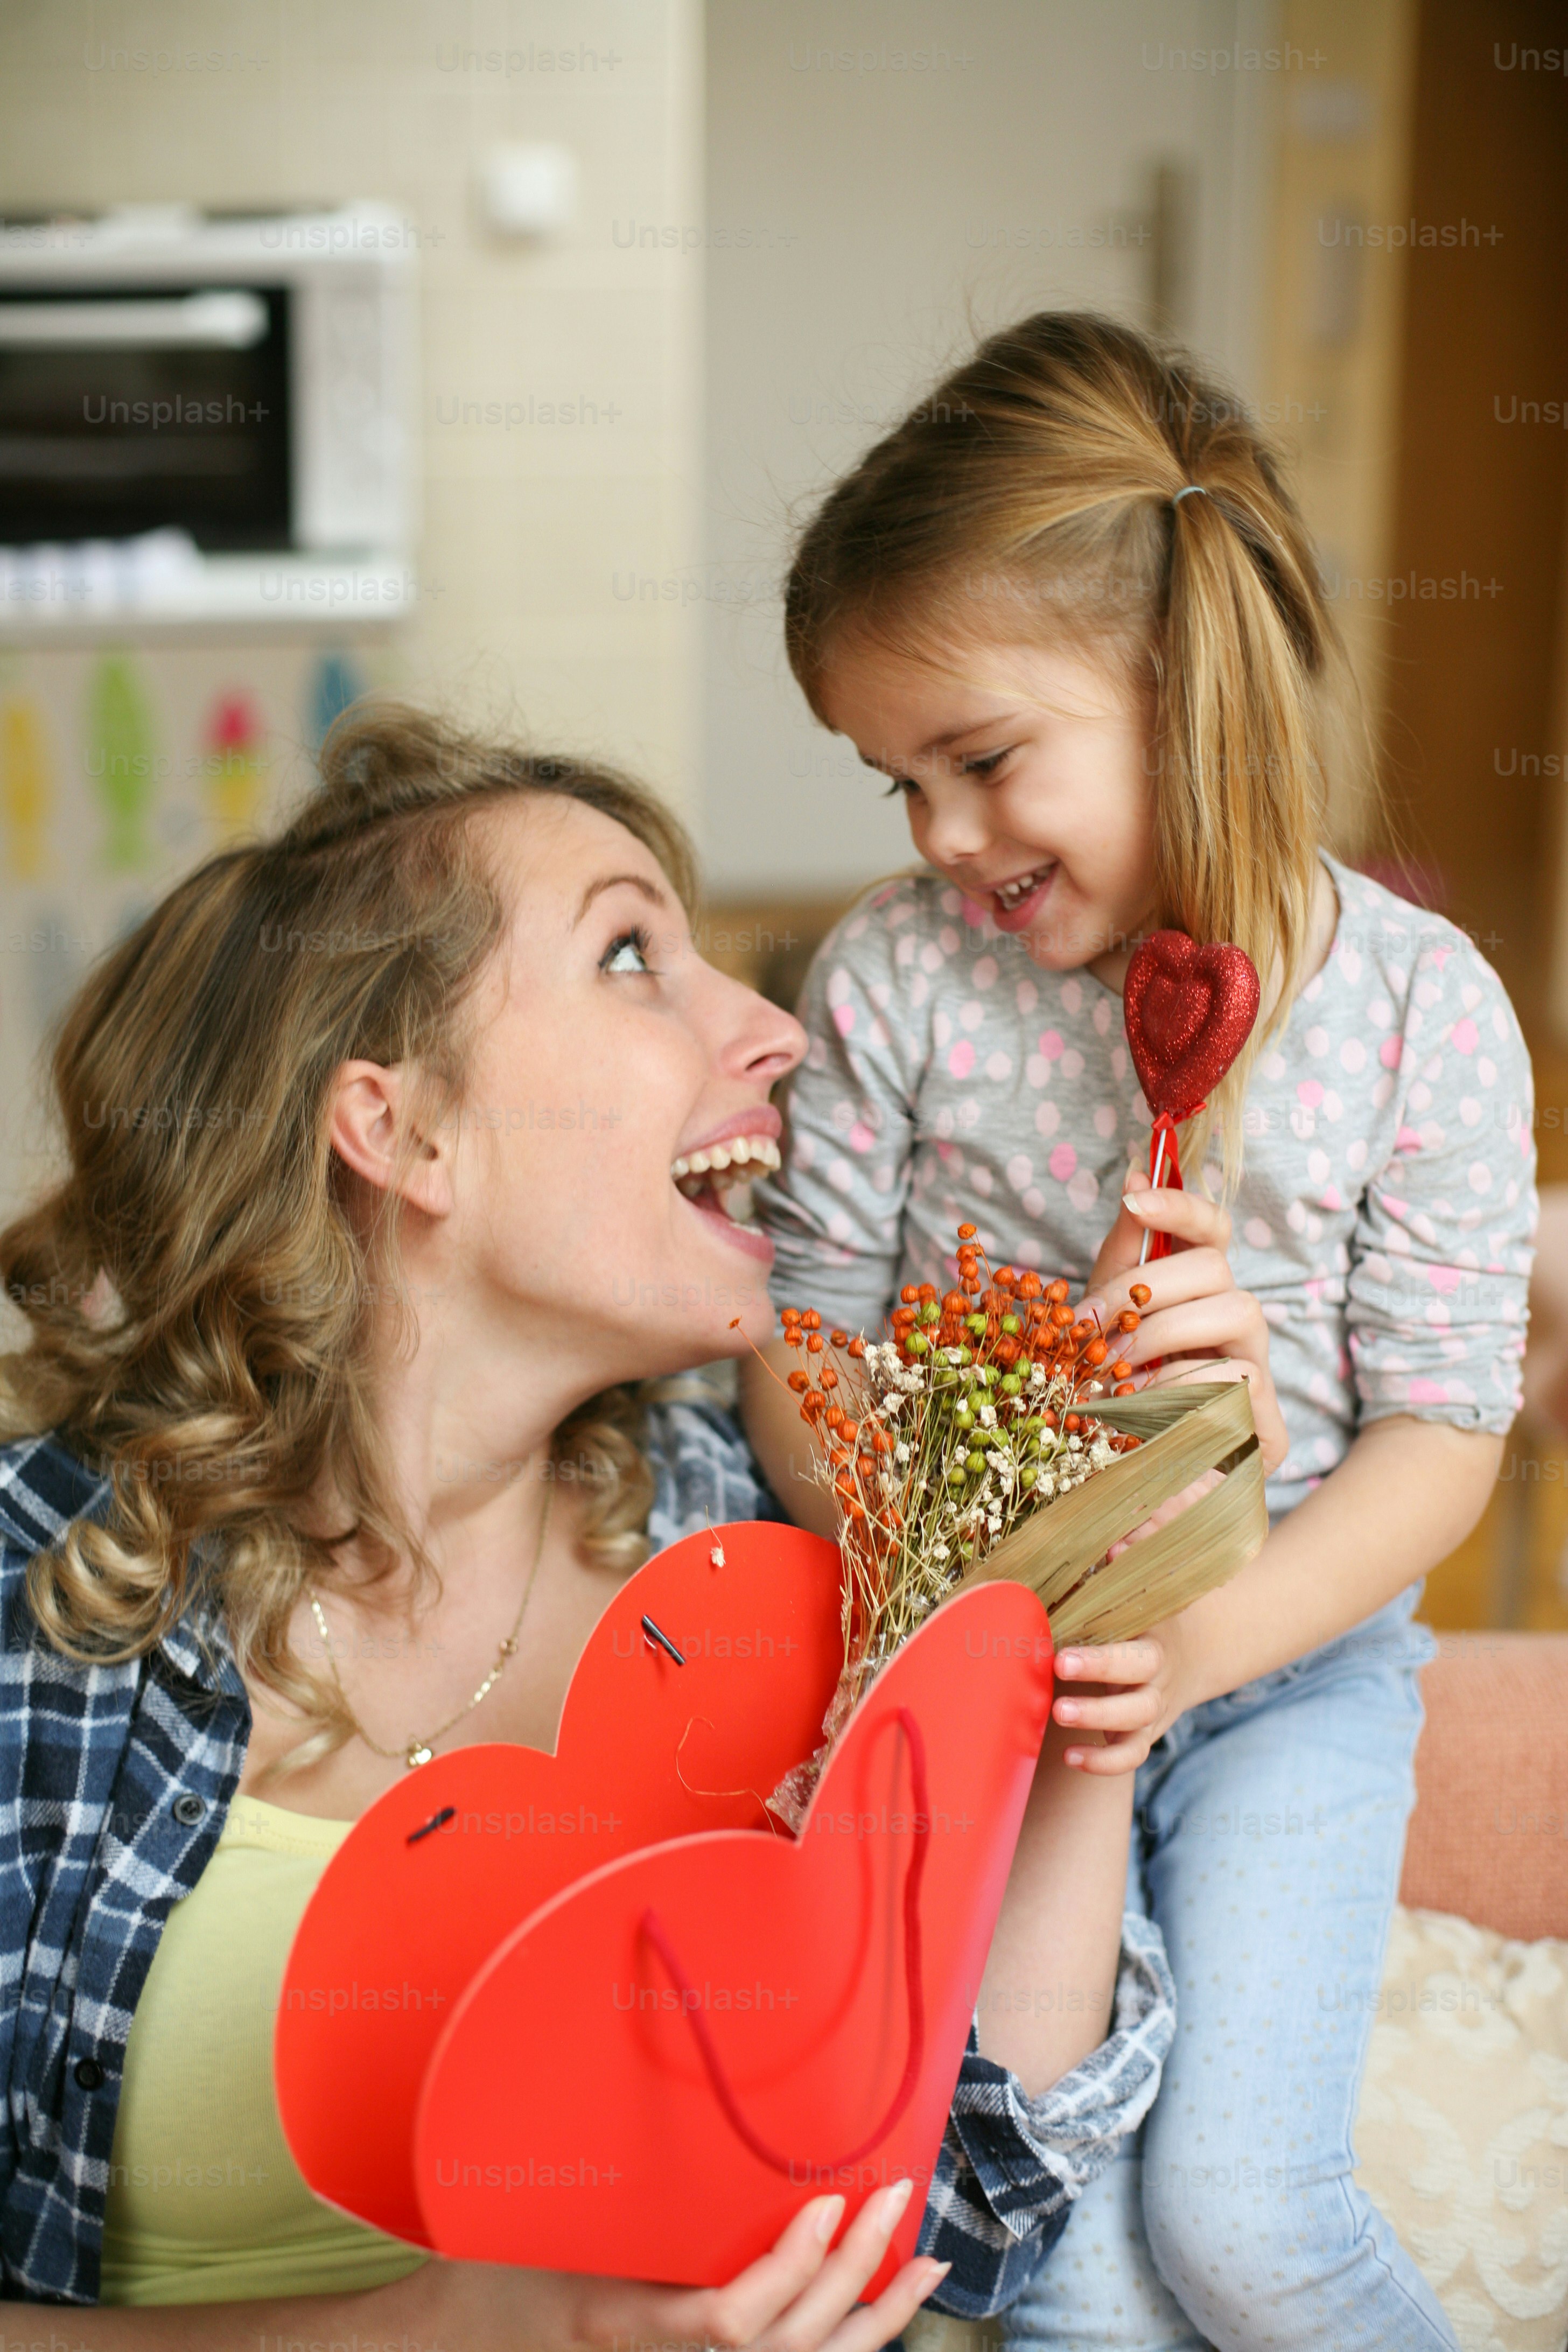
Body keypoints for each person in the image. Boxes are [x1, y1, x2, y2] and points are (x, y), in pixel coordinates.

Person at [0, 706, 1176, 2342]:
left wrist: (1086, 1590)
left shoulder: (770, 1554)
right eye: (631, 956)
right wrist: (481, 2326)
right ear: (396, 1129)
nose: (774, 1031)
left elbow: (974, 2209)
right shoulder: (36, 1596)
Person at [740, 313, 1536, 2351]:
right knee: (1070, 2281)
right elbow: (796, 1350)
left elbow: (1443, 1441)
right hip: (977, 1677)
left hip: (1286, 1681)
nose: (933, 835)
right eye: (892, 779)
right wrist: (970, 1531)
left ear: (1183, 683)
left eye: (983, 761)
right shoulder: (897, 983)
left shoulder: (1426, 1007)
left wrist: (1191, 1649)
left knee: (1245, 2230)